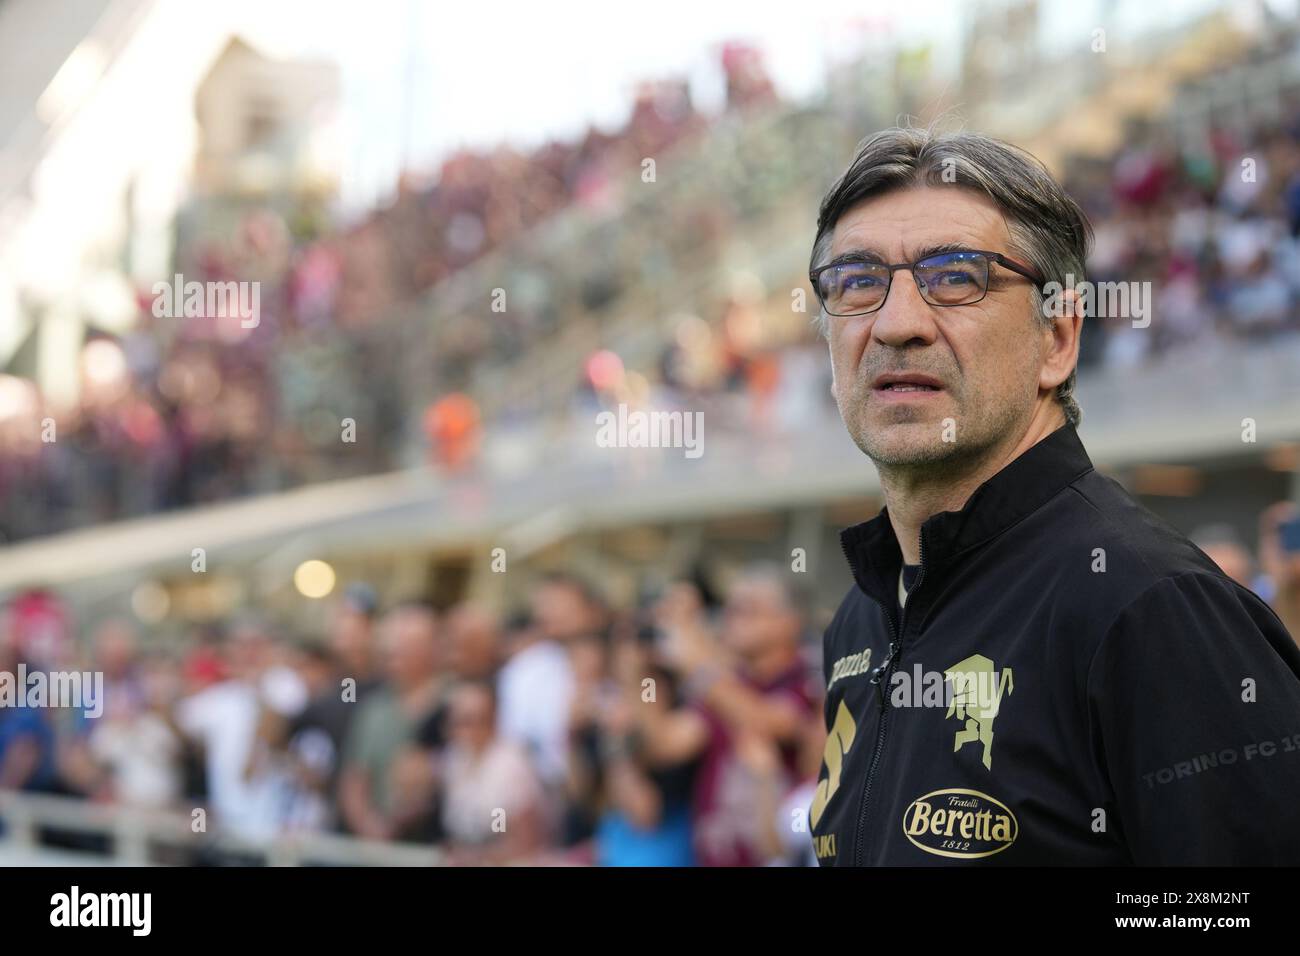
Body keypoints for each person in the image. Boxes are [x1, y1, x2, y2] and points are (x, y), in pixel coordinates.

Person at [805, 126, 1300, 865]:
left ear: (1058, 339)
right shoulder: (863, 618)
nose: (897, 323)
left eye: (956, 275)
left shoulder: (1152, 608)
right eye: (858, 280)